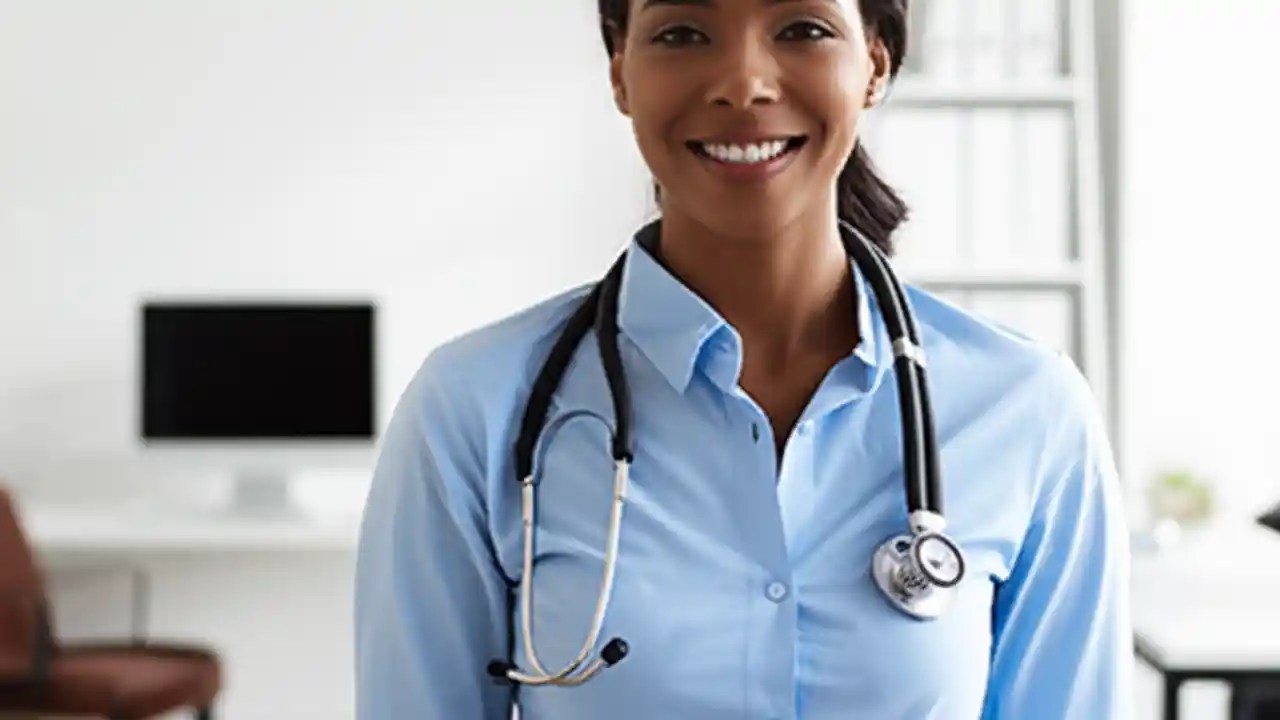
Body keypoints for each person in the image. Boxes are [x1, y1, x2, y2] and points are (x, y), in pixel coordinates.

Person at [354, 0, 1133, 717]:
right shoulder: (474, 412)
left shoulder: (1027, 410)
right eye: (682, 33)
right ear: (621, 72)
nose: (743, 83)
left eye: (803, 29)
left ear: (876, 62)